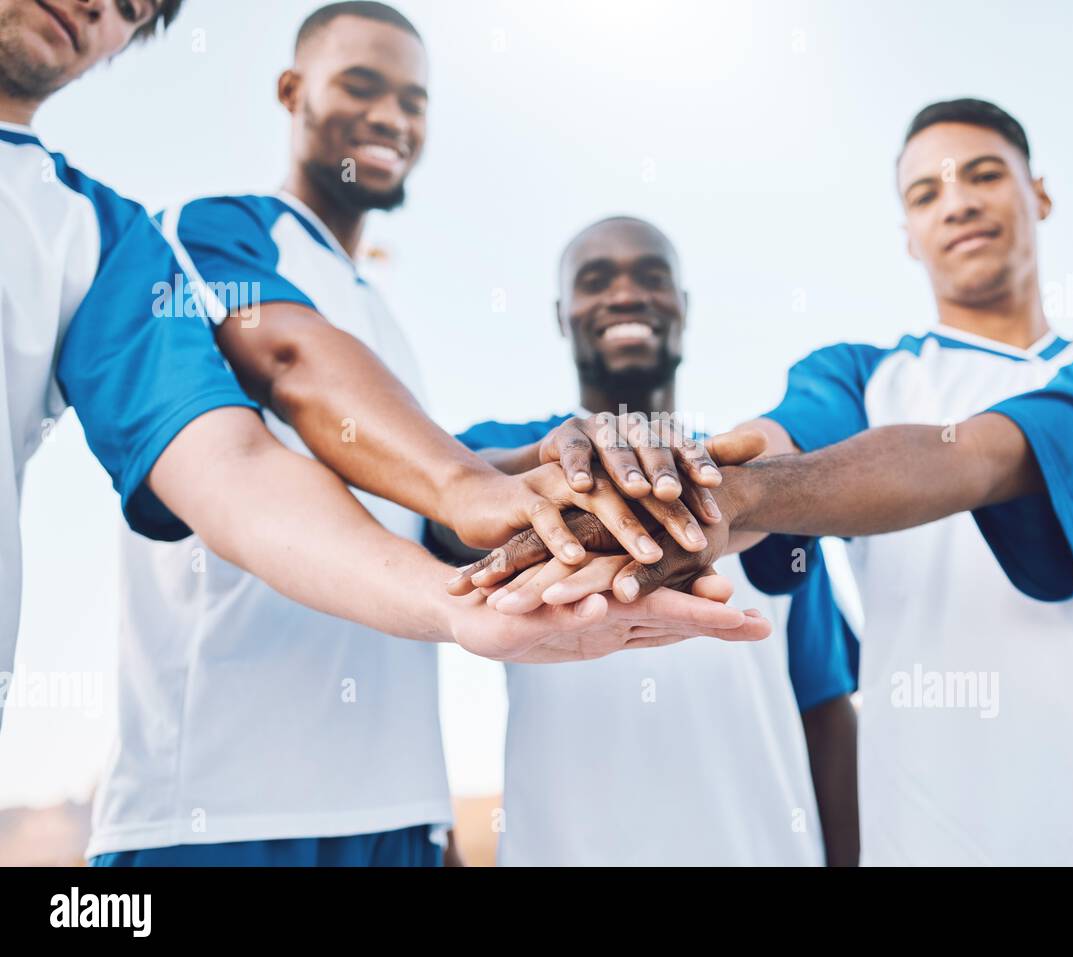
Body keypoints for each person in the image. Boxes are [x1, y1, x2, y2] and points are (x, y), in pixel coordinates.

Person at [477, 19, 1073, 865]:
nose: (961, 203)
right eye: (927, 193)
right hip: (948, 834)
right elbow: (760, 459)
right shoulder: (861, 379)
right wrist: (673, 494)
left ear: (1040, 194)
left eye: (985, 175)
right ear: (907, 232)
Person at [81, 4, 771, 867]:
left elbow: (420, 494)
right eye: (361, 85)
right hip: (224, 813)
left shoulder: (380, 316)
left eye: (414, 99)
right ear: (291, 92)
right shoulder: (217, 230)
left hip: (397, 813)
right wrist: (475, 483)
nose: (391, 118)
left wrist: (567, 461)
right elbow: (295, 363)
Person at [452, 216, 859, 865]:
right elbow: (447, 504)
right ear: (563, 315)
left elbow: (826, 701)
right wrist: (537, 463)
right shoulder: (504, 472)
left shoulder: (755, 482)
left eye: (651, 276)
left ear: (684, 307)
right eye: (595, 280)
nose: (625, 294)